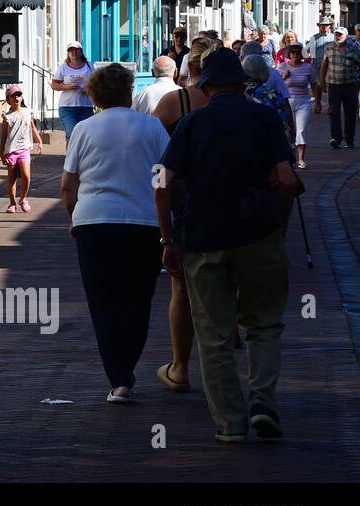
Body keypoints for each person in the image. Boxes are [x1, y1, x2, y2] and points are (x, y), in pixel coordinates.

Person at [155, 47, 300, 442]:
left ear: (206, 87)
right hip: (258, 234)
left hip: (203, 238)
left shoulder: (191, 124)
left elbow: (162, 184)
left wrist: (167, 237)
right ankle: (263, 402)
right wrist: (280, 226)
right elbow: (287, 180)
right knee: (264, 324)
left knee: (214, 335)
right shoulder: (265, 118)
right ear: (241, 83)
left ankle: (230, 424)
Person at [61, 64, 171, 403]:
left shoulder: (83, 129)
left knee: (103, 302)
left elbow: (68, 184)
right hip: (143, 223)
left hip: (95, 223)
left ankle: (119, 378)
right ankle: (127, 368)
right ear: (128, 91)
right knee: (138, 301)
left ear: (94, 94)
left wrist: (74, 216)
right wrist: (167, 221)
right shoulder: (152, 127)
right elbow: (164, 178)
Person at [151, 36, 213, 394]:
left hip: (185, 204)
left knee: (181, 287)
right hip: (228, 205)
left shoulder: (177, 101)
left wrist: (165, 235)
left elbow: (158, 160)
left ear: (189, 68)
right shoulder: (238, 104)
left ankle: (180, 366)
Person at [0, 83, 44, 214]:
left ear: (22, 97)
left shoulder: (28, 112)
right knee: (12, 178)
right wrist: (2, 154)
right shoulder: (7, 117)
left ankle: (23, 199)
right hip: (11, 150)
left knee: (26, 176)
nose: (16, 98)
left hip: (24, 148)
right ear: (8, 100)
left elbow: (33, 128)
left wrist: (40, 141)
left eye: (18, 95)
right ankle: (12, 203)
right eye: (13, 96)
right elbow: (3, 137)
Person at [319, 26, 360, 148]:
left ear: (346, 36)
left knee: (350, 113)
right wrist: (322, 82)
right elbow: (324, 66)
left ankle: (349, 139)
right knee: (334, 112)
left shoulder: (353, 49)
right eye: (336, 34)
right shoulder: (329, 48)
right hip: (334, 85)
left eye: (340, 34)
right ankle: (336, 138)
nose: (338, 36)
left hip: (350, 85)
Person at [243, 56, 295, 145]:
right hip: (268, 145)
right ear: (264, 71)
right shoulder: (274, 95)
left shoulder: (237, 93)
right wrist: (292, 129)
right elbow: (282, 124)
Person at [279, 43, 313, 169]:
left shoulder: (308, 67)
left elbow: (313, 83)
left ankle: (301, 159)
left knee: (301, 130)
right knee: (289, 130)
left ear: (301, 55)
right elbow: (276, 85)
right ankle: (291, 157)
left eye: (298, 53)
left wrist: (318, 101)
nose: (295, 56)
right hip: (287, 102)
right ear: (289, 55)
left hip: (304, 101)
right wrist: (283, 77)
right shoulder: (282, 67)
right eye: (293, 53)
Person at [51, 41, 95, 138]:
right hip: (67, 107)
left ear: (81, 52)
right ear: (68, 53)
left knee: (86, 136)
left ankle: (83, 154)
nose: (74, 53)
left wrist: (88, 89)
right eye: (71, 51)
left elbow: (96, 82)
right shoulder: (63, 67)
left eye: (76, 50)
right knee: (72, 135)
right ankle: (70, 154)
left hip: (86, 106)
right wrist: (67, 87)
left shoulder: (89, 66)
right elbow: (54, 85)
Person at [307, 14, 333, 112]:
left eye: (326, 25)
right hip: (317, 65)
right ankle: (317, 104)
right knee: (318, 85)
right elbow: (308, 51)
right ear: (319, 26)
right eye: (322, 25)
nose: (324, 27)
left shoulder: (333, 37)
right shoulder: (314, 37)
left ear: (329, 26)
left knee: (330, 85)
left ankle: (331, 105)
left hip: (330, 65)